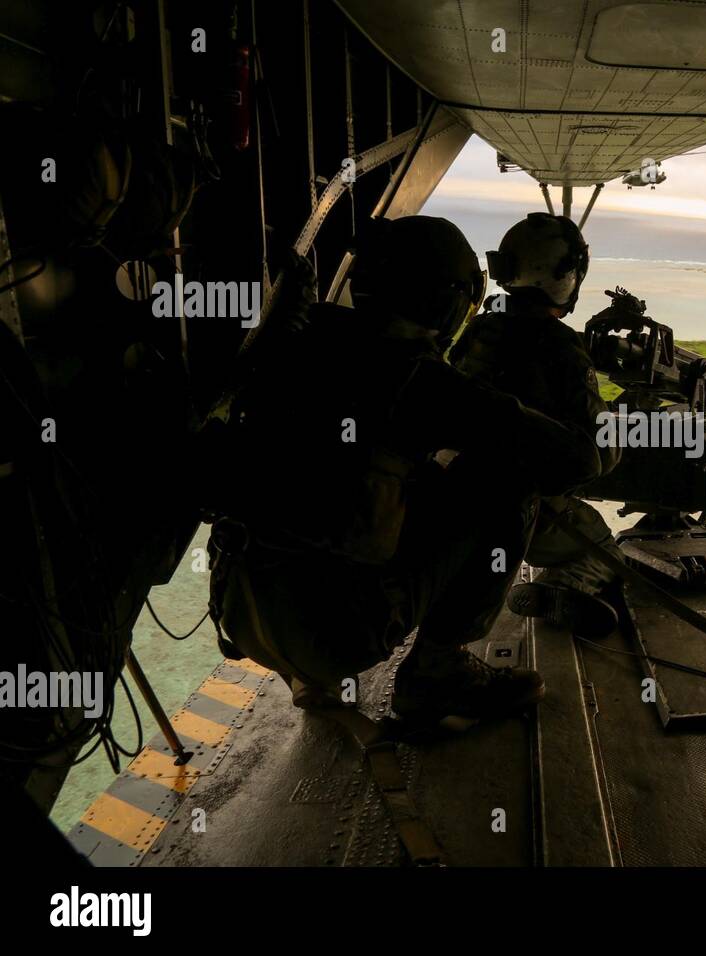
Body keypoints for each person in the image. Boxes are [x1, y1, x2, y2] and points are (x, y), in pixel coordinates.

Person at [202, 215, 605, 725]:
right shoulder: (420, 381)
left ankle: (308, 673)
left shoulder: (303, 337)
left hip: (239, 614)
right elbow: (577, 460)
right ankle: (436, 674)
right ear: (448, 302)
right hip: (333, 638)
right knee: (507, 483)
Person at [449, 212, 624, 638]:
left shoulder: (479, 329)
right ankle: (563, 585)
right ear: (565, 275)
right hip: (521, 509)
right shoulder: (560, 345)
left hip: (456, 492)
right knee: (604, 550)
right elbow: (598, 456)